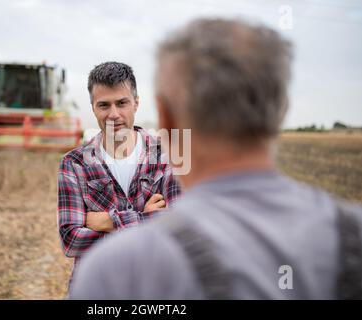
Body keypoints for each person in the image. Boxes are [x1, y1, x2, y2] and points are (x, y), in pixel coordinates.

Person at [70, 18, 362, 299]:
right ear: (280, 111)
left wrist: (111, 221)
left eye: (121, 103)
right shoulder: (352, 233)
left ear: (165, 119)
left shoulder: (115, 272)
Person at [57, 61, 182, 293]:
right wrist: (144, 219)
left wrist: (108, 222)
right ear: (93, 108)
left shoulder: (167, 157)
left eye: (122, 103)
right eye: (104, 105)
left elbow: (178, 232)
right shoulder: (74, 163)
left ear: (136, 103)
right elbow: (71, 240)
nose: (114, 114)